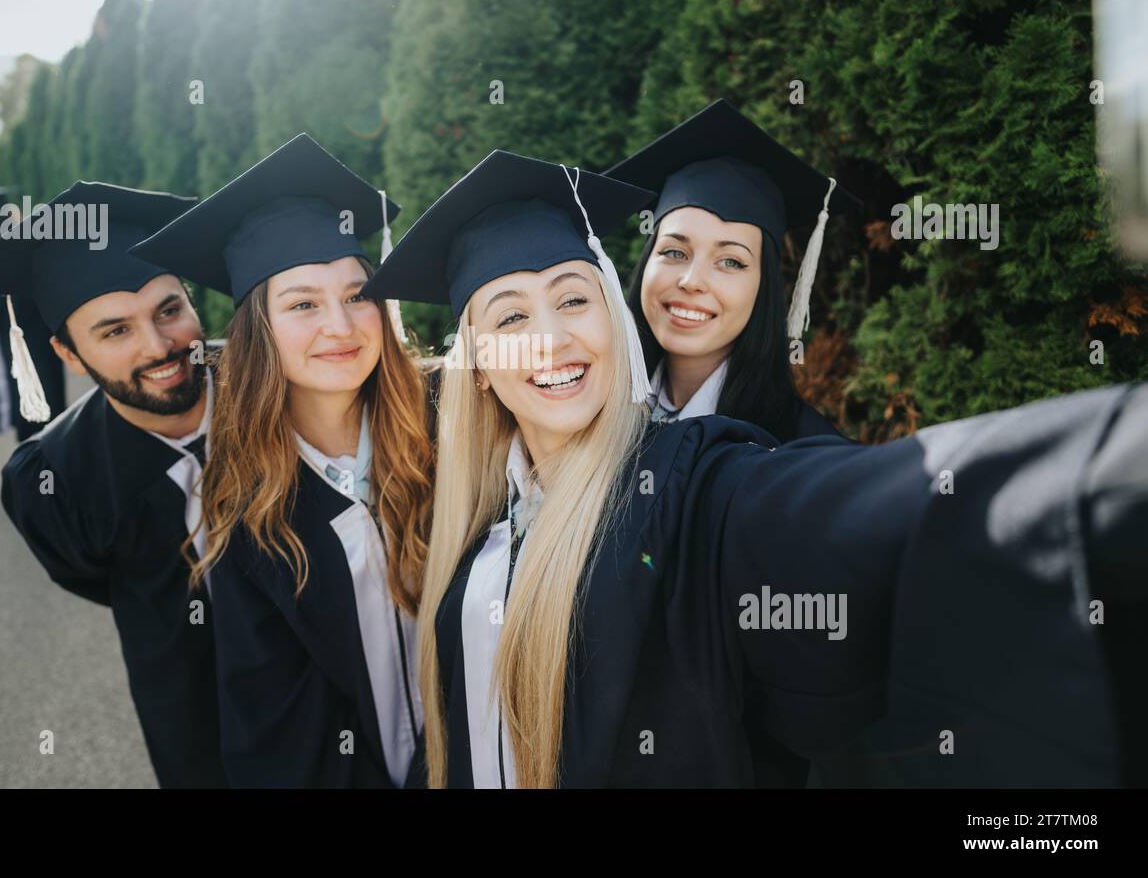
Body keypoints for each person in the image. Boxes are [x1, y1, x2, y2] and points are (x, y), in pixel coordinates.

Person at [361, 148, 1147, 788]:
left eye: (573, 300)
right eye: (509, 317)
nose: (553, 339)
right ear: (482, 368)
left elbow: (866, 511)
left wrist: (1102, 465)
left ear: (612, 319)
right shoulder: (476, 546)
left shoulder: (698, 487)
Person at [132, 134, 436, 787]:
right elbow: (277, 731)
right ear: (258, 331)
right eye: (302, 303)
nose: (341, 325)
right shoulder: (245, 510)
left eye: (357, 294)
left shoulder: (449, 441)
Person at [0, 181, 228, 788]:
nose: (159, 345)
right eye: (114, 331)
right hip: (195, 715)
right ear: (66, 352)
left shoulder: (284, 391)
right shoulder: (53, 478)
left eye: (169, 310)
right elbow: (91, 576)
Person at [608, 100, 850, 440]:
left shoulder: (793, 451)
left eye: (731, 262)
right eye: (674, 252)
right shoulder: (599, 415)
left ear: (763, 287)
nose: (691, 281)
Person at [0, 188, 66, 440]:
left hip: (18, 349)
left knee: (28, 403)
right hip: (46, 342)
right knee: (54, 400)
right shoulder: (31, 248)